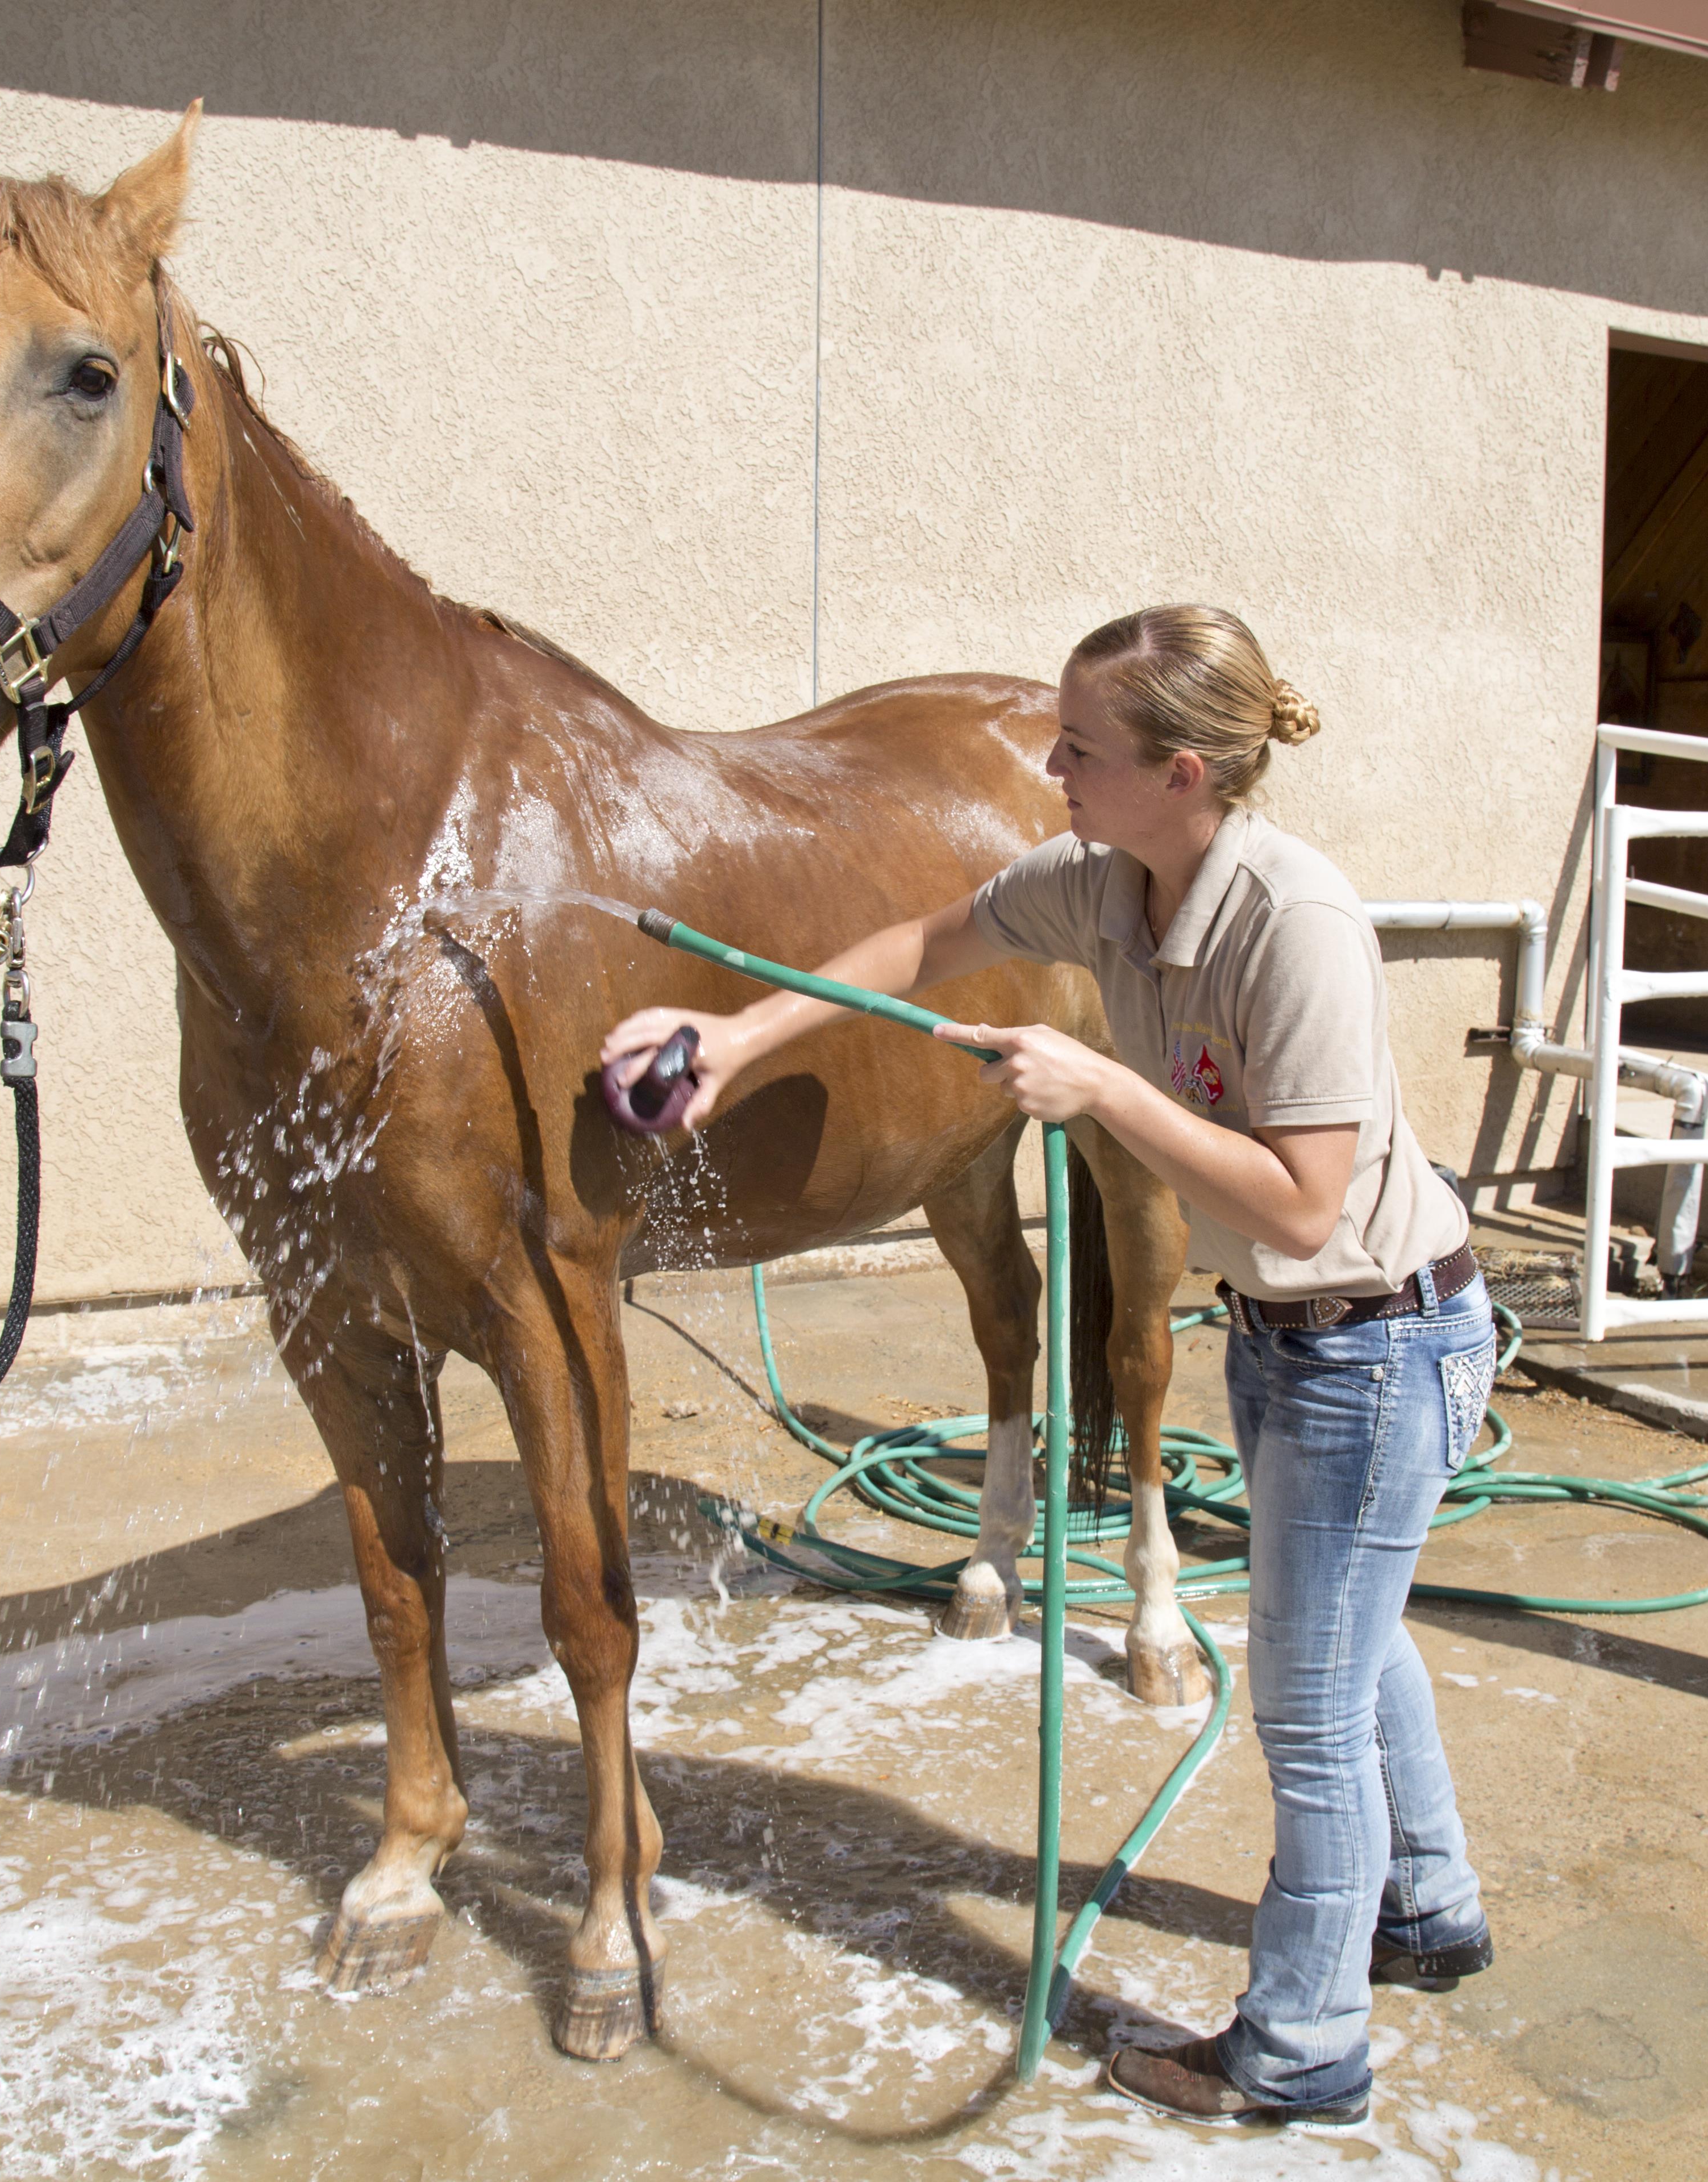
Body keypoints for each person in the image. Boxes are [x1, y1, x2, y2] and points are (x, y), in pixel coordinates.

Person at [601, 605, 1497, 2129]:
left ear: (1186, 771)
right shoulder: (1101, 881)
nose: (1052, 765)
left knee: (1310, 1705)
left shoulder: (1297, 923)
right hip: (1294, 1339)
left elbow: (1301, 1199)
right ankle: (1431, 1907)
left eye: (1080, 748)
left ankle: (1304, 2048)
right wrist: (741, 1036)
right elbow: (923, 943)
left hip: (1382, 1337)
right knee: (1357, 1633)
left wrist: (1095, 1090)